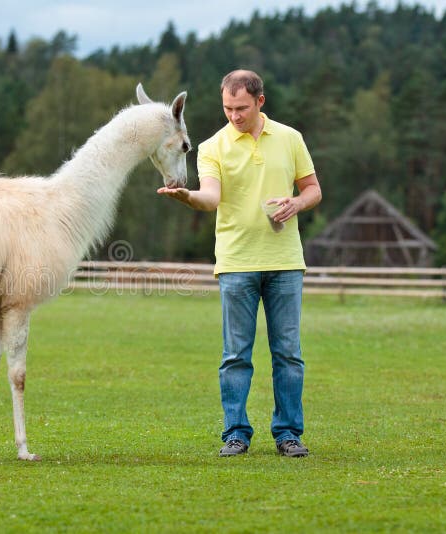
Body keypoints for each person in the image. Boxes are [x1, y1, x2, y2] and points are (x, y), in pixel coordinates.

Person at [158, 70, 322, 457]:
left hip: (284, 261)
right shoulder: (213, 146)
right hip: (235, 262)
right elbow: (211, 198)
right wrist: (187, 197)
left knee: (288, 353)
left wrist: (296, 203)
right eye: (228, 108)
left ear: (260, 102)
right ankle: (236, 433)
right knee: (235, 355)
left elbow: (312, 189)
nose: (234, 115)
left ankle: (288, 435)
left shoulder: (290, 138)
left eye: (242, 108)